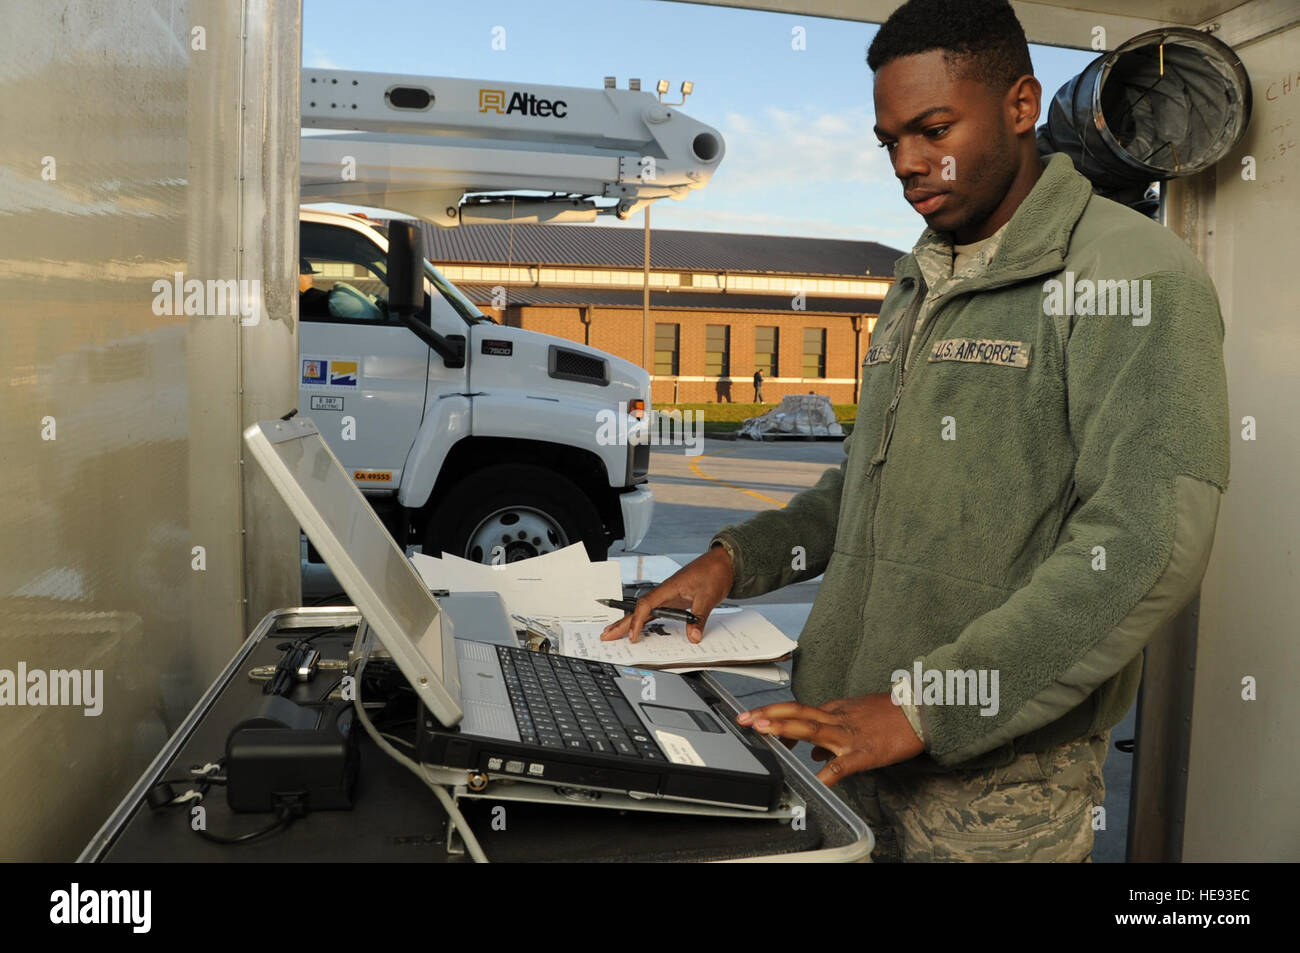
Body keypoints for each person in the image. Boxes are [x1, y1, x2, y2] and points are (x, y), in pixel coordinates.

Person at [601, 0, 1229, 862]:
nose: (907, 164)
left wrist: (929, 705)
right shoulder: (919, 275)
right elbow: (863, 480)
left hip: (994, 786)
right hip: (843, 736)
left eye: (932, 129)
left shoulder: (1131, 273)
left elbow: (1147, 539)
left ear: (1020, 105)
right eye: (889, 140)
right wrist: (734, 560)